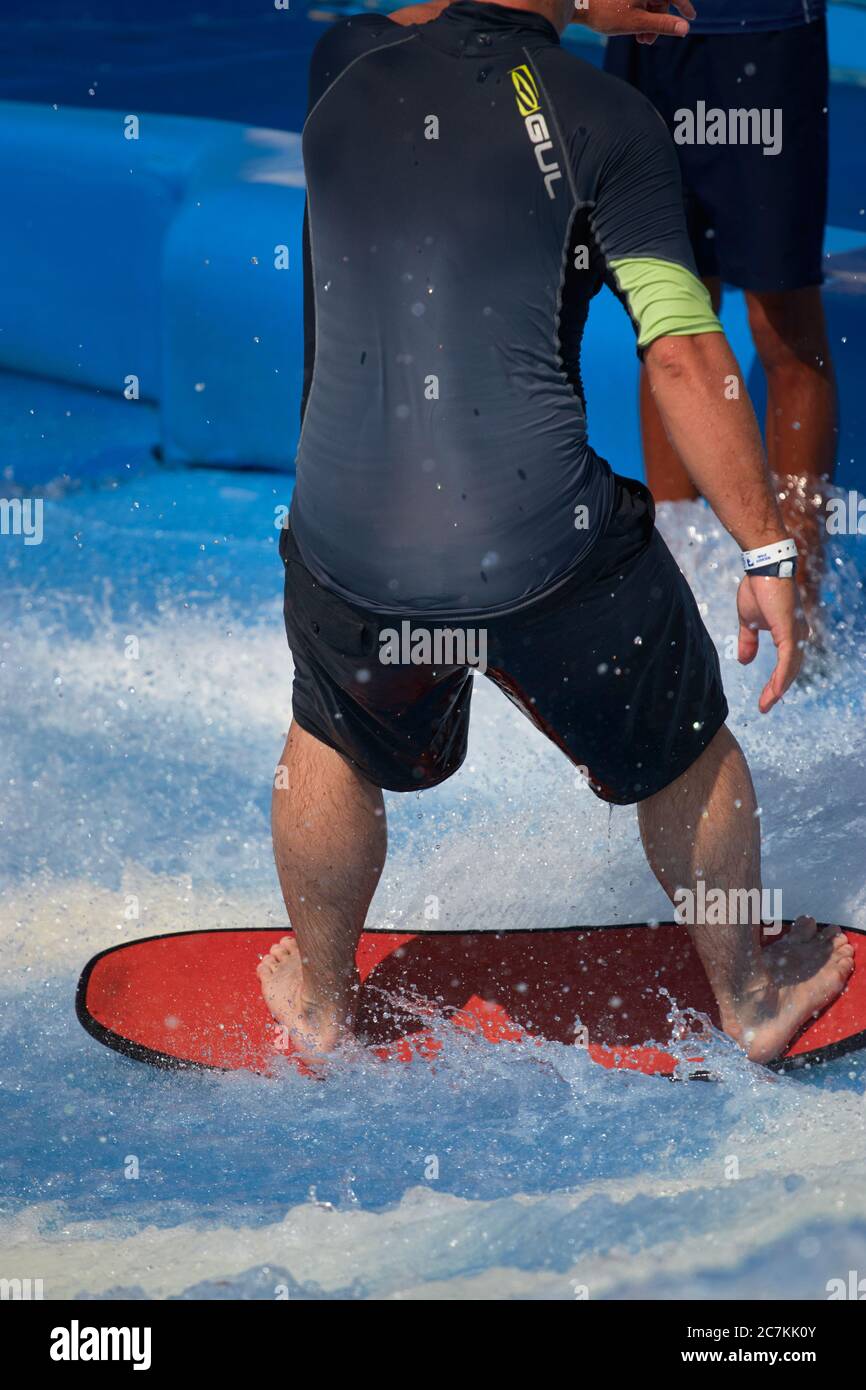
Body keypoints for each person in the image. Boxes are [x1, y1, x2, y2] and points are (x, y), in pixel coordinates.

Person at [257, 0, 852, 1066]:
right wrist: (763, 549)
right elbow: (677, 348)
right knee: (687, 749)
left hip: (346, 549)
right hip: (541, 549)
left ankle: (322, 1000)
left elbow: (416, 33)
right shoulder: (611, 120)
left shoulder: (339, 63)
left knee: (330, 733)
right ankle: (750, 996)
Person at [605, 0, 837, 615]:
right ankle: (677, 597)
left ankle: (800, 602)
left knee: (780, 325)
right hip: (644, 37)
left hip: (764, 34)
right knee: (665, 317)